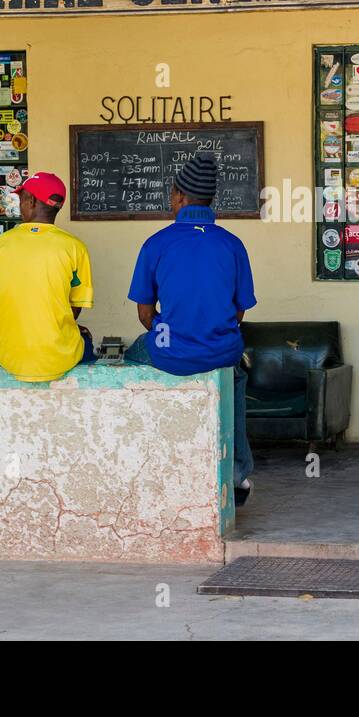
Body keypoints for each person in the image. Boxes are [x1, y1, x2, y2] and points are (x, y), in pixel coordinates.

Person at [125, 152, 258, 505]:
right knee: (236, 377)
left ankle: (145, 462)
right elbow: (240, 311)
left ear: (179, 196)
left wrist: (169, 332)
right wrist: (208, 330)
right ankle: (237, 474)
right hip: (222, 350)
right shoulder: (232, 244)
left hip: (170, 351)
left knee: (130, 356)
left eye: (171, 195)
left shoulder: (156, 243)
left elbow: (143, 313)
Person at [0, 172, 95, 382]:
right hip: (59, 358)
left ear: (31, 200)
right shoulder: (75, 247)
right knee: (87, 341)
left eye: (21, 199)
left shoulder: (2, 243)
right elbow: (76, 307)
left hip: (8, 356)